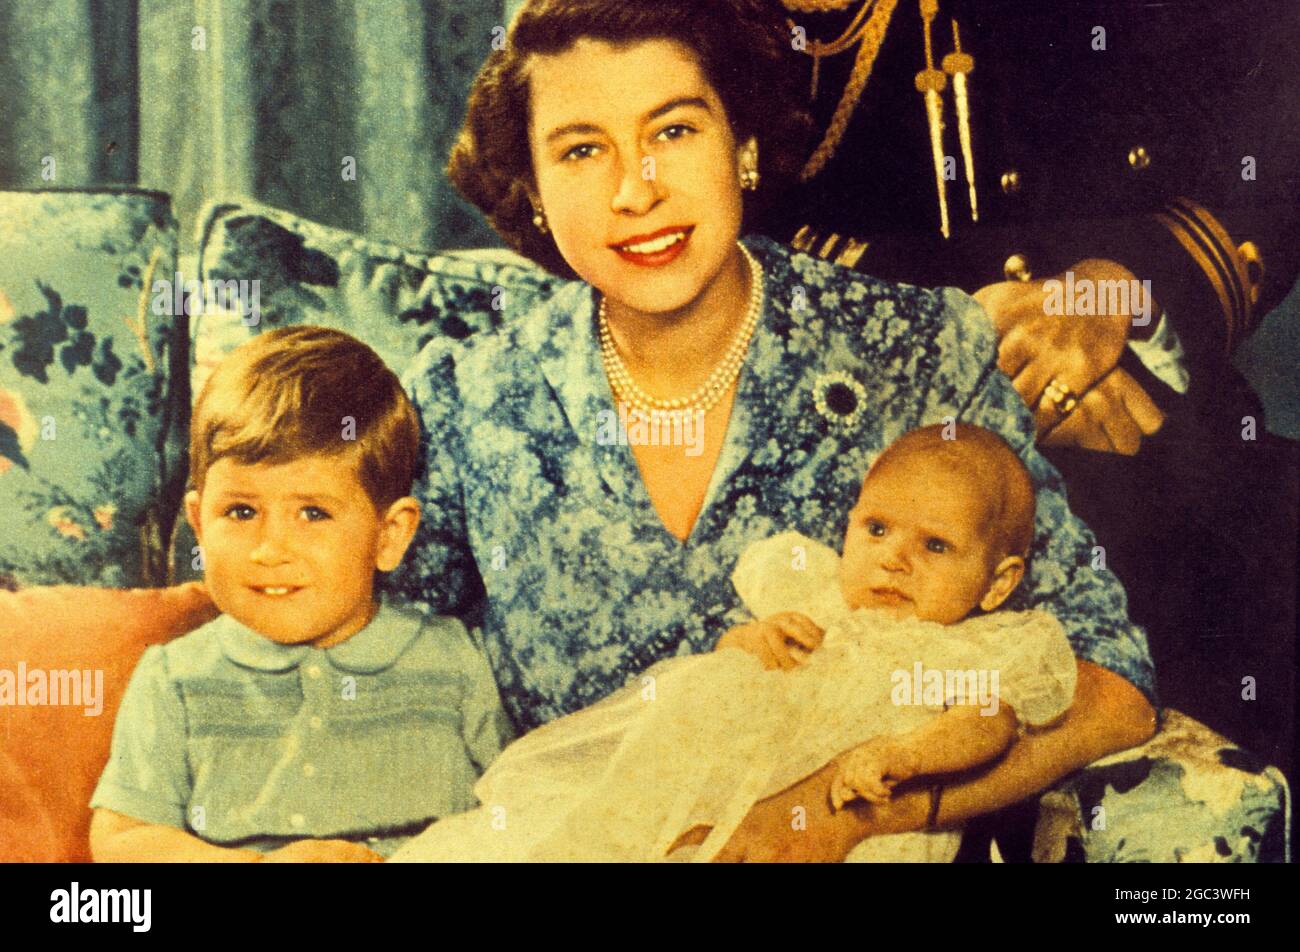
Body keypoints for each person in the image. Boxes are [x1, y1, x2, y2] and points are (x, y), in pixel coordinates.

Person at [388, 0, 1157, 862]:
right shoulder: (472, 398)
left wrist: (837, 818)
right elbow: (351, 632)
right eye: (581, 150)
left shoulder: (915, 355)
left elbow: (1111, 687)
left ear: (744, 146)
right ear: (531, 187)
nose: (635, 190)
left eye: (673, 131)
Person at [753, 0, 1300, 780]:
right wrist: (966, 336)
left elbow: (1267, 158)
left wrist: (1120, 288)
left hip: (1150, 426)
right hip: (854, 466)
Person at [391, 424, 1077, 863]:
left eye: (934, 545)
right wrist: (756, 638)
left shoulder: (968, 651)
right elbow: (729, 659)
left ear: (997, 582)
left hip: (848, 813)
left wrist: (901, 754)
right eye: (876, 530)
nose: (894, 559)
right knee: (623, 795)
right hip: (715, 776)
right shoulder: (817, 598)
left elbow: (988, 724)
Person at [88, 327, 510, 862]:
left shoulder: (454, 661)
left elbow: (516, 811)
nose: (270, 549)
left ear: (389, 535)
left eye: (314, 513)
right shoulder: (175, 680)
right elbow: (122, 840)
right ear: (198, 523)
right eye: (241, 512)